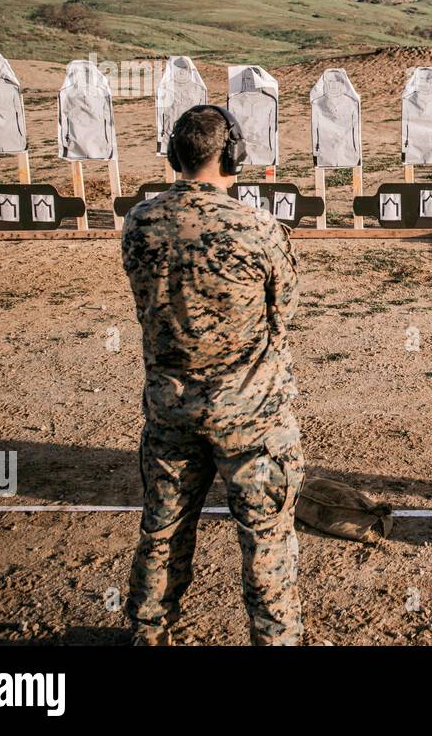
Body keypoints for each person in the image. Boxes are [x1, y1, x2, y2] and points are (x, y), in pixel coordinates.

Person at [121, 104, 304, 643]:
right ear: (234, 155)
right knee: (267, 537)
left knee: (162, 531)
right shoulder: (259, 227)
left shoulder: (140, 221)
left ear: (175, 154)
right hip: (252, 414)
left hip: (169, 409)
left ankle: (149, 634)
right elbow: (283, 309)